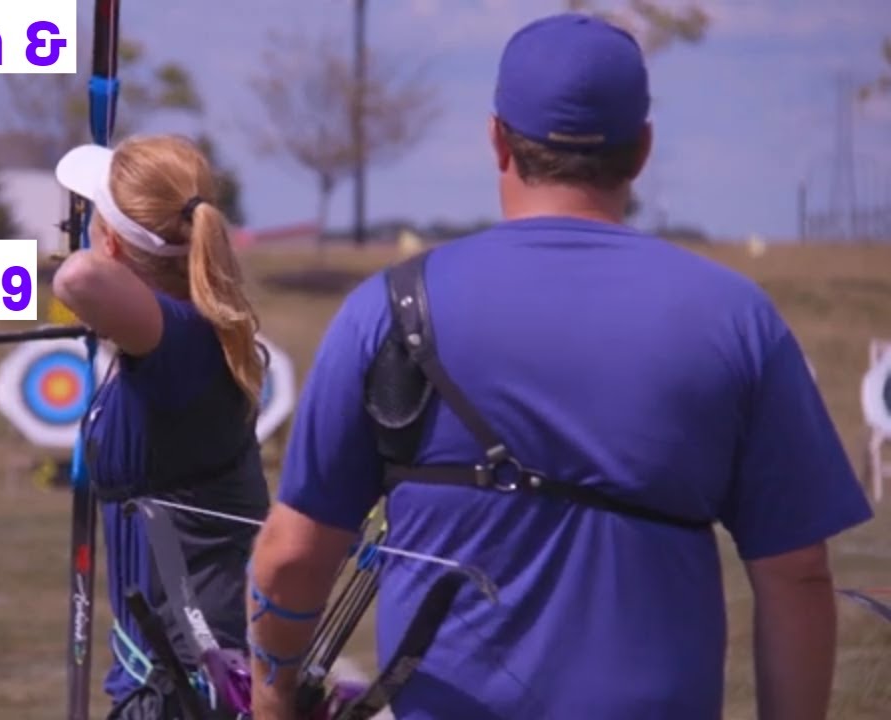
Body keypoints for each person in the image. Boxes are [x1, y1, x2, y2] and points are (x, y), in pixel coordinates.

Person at [245, 12, 874, 720]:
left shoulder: (387, 310)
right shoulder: (737, 318)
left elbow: (292, 556)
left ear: (496, 141)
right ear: (641, 149)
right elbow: (797, 573)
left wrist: (272, 699)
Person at [51, 133, 270, 717]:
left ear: (114, 243)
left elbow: (78, 280)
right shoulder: (183, 340)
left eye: (94, 216)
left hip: (185, 688)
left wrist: (101, 250)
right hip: (168, 676)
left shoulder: (184, 344)